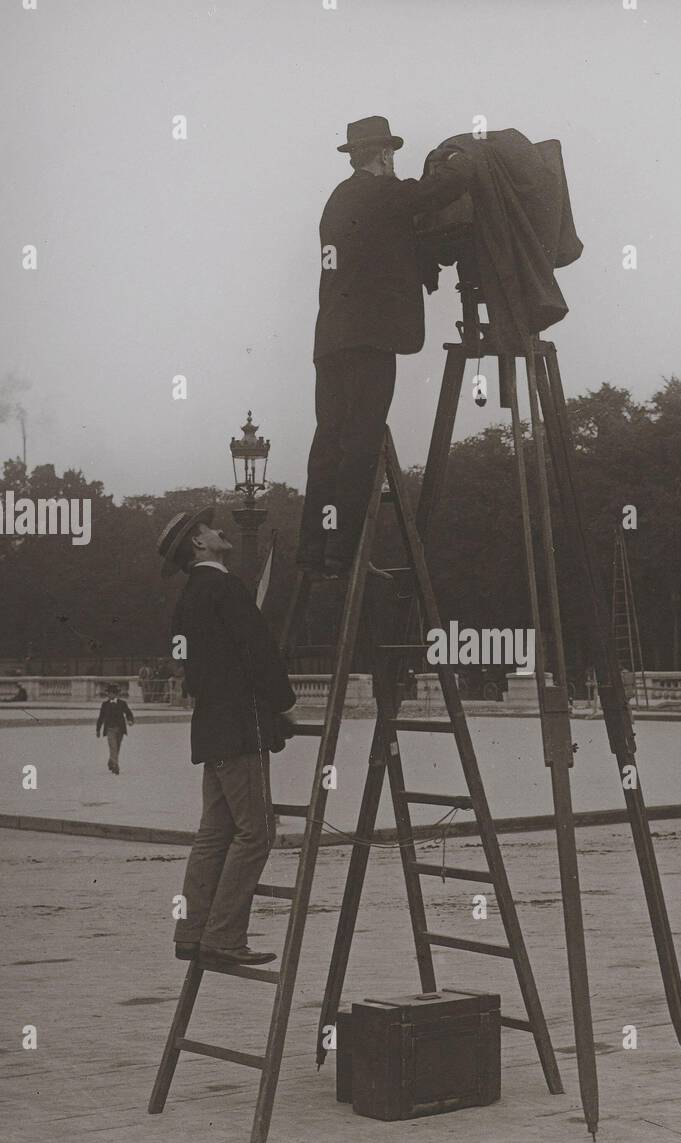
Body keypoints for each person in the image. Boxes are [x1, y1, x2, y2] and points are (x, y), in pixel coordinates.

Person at [297, 115, 473, 578]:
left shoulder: (340, 199)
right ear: (384, 154)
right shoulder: (381, 193)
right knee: (361, 442)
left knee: (329, 443)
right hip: (369, 340)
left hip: (332, 339)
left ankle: (315, 549)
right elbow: (437, 192)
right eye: (392, 154)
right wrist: (460, 161)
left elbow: (381, 244)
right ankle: (345, 551)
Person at [157, 506, 297, 968]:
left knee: (214, 834)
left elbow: (185, 663)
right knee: (256, 833)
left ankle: (192, 932)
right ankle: (223, 935)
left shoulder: (188, 598)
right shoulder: (226, 588)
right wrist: (285, 702)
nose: (220, 530)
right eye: (210, 529)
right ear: (199, 544)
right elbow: (258, 649)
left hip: (212, 728)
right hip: (241, 727)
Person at [96, 683, 135, 774]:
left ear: (115, 694)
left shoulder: (122, 703)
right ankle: (116, 766)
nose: (109, 695)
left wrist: (130, 720)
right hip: (110, 729)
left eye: (111, 693)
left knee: (117, 747)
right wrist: (98, 729)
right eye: (108, 693)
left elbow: (128, 713)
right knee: (113, 747)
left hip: (120, 729)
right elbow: (101, 717)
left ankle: (111, 760)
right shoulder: (105, 705)